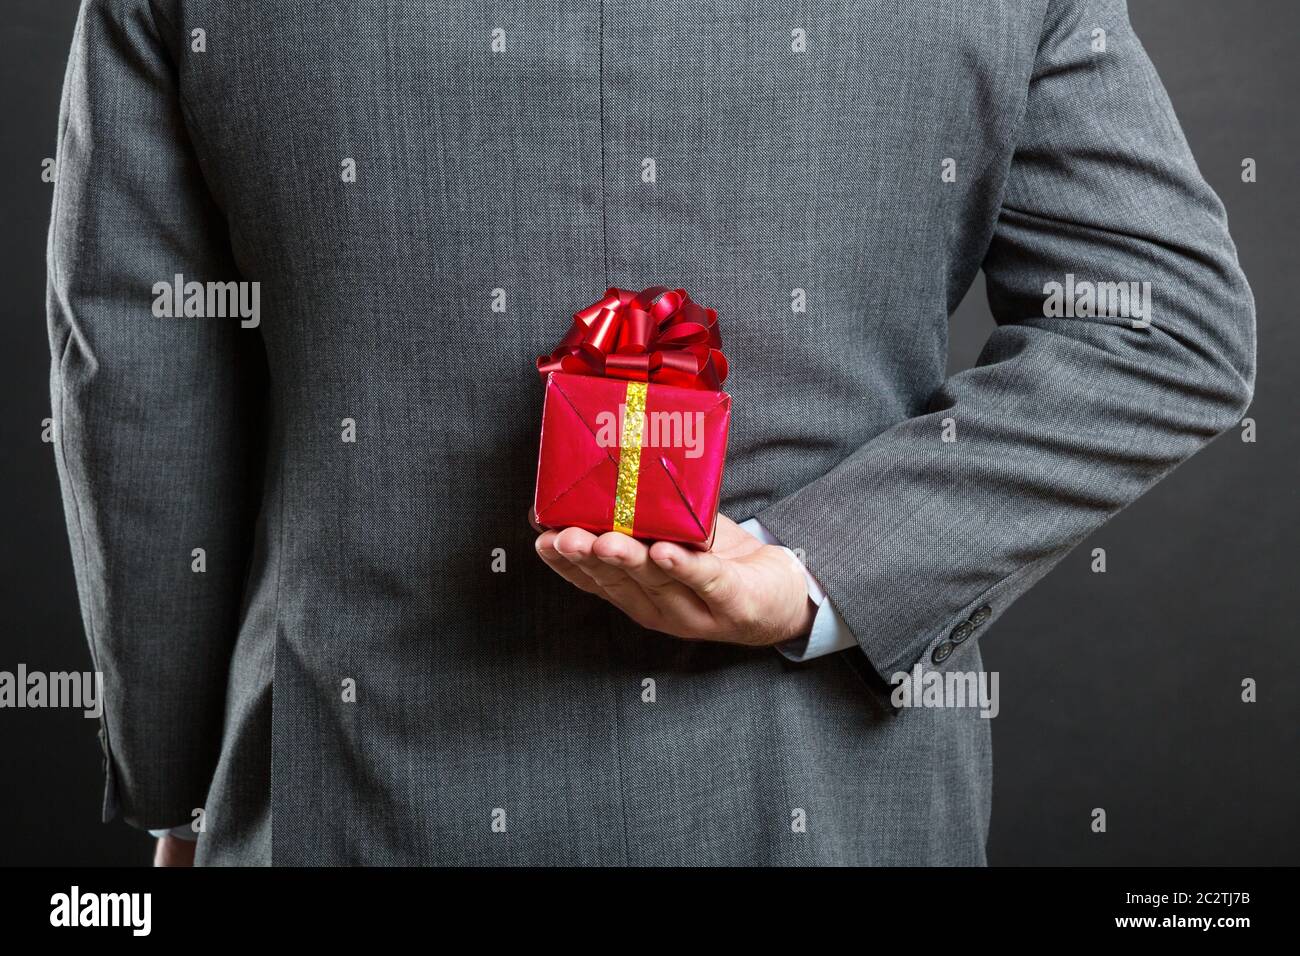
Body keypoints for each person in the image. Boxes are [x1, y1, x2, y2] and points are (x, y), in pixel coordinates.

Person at [48, 0, 1254, 865]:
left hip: (351, 793)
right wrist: (812, 571)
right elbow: (1163, 329)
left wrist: (178, 789)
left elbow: (138, 392)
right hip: (825, 809)